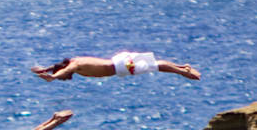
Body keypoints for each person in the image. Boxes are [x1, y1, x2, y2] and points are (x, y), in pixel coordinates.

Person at [31, 51, 200, 81]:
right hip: (119, 60)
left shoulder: (75, 65)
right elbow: (60, 66)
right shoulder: (74, 61)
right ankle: (182, 66)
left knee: (155, 66)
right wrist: (46, 70)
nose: (68, 78)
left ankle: (183, 71)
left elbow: (64, 70)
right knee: (152, 64)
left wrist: (52, 77)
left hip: (121, 67)